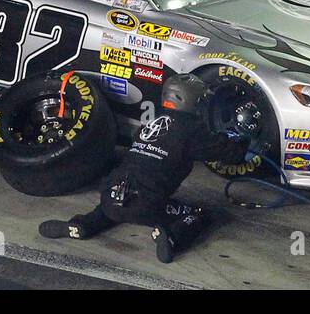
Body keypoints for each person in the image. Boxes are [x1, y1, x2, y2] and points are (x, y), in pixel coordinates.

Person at [38, 73, 252, 262]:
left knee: (110, 208)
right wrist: (244, 137)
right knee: (201, 214)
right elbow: (231, 155)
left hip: (110, 192)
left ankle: (83, 225)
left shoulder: (151, 123)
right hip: (148, 204)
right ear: (192, 102)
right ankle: (171, 237)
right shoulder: (191, 129)